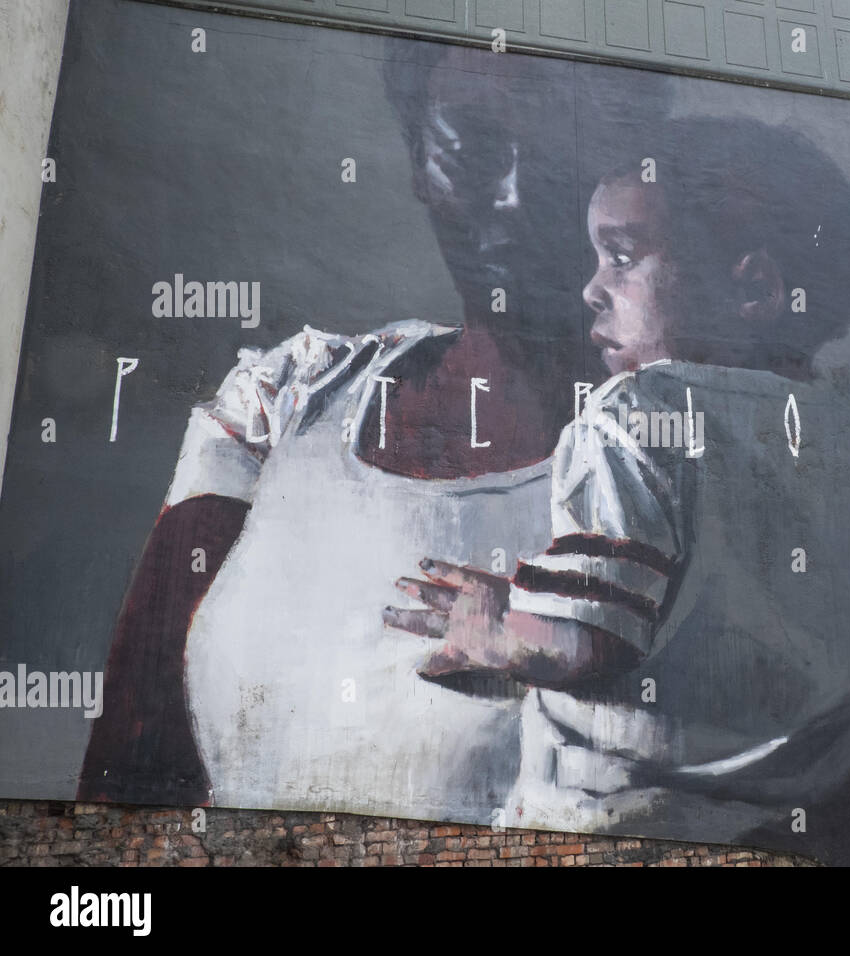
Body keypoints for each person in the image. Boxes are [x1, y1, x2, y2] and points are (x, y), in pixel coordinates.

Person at [386, 117, 850, 863]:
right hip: (820, 797)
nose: (591, 289)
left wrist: (497, 629)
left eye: (621, 258)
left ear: (753, 288)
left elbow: (590, 639)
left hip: (633, 824)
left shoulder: (632, 422)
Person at [77, 40, 671, 814]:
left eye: (563, 158)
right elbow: (129, 763)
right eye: (478, 150)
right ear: (420, 165)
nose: (521, 198)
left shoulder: (673, 463)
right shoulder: (282, 404)